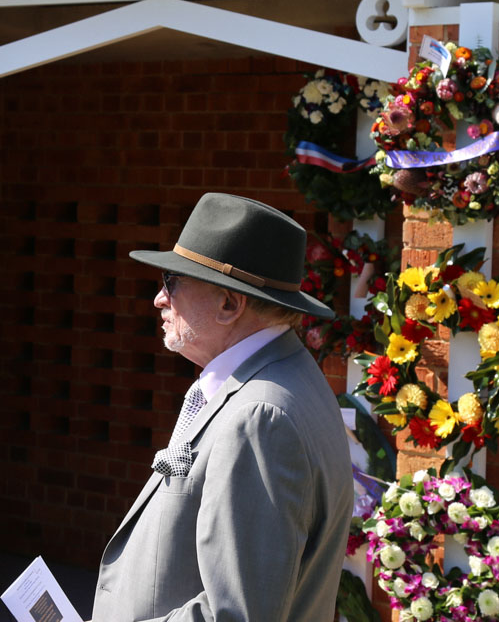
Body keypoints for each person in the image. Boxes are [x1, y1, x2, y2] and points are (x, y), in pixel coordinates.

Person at [92, 192, 354, 622]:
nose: (160, 298)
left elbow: (237, 614)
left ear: (230, 304)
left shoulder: (260, 416)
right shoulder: (283, 377)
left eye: (172, 282)